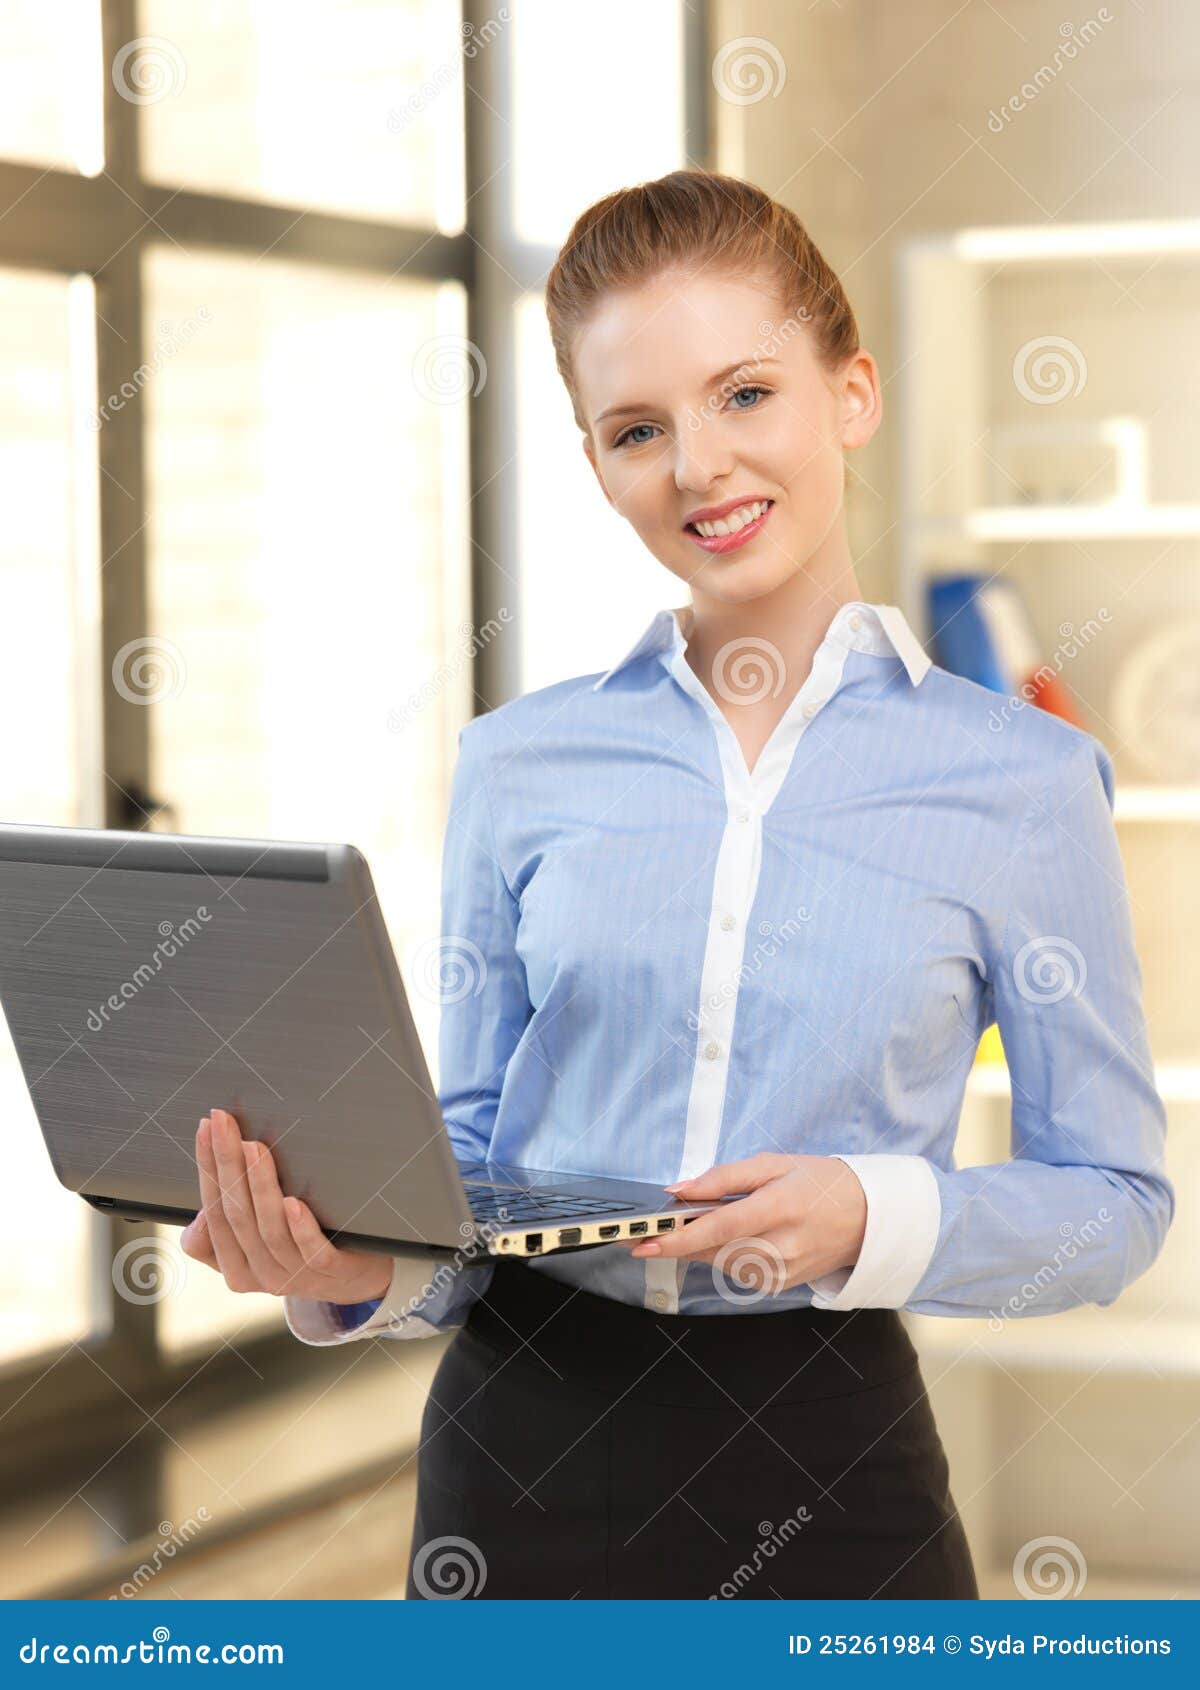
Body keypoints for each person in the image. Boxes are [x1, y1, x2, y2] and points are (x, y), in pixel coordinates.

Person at [180, 168, 1174, 1601]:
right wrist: (335, 1260)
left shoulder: (1019, 780)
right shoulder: (520, 763)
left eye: (746, 395)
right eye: (638, 428)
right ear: (596, 462)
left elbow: (1115, 1199)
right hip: (513, 1454)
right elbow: (467, 1165)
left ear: (853, 391)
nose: (698, 465)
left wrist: (872, 1210)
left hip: (832, 1456)